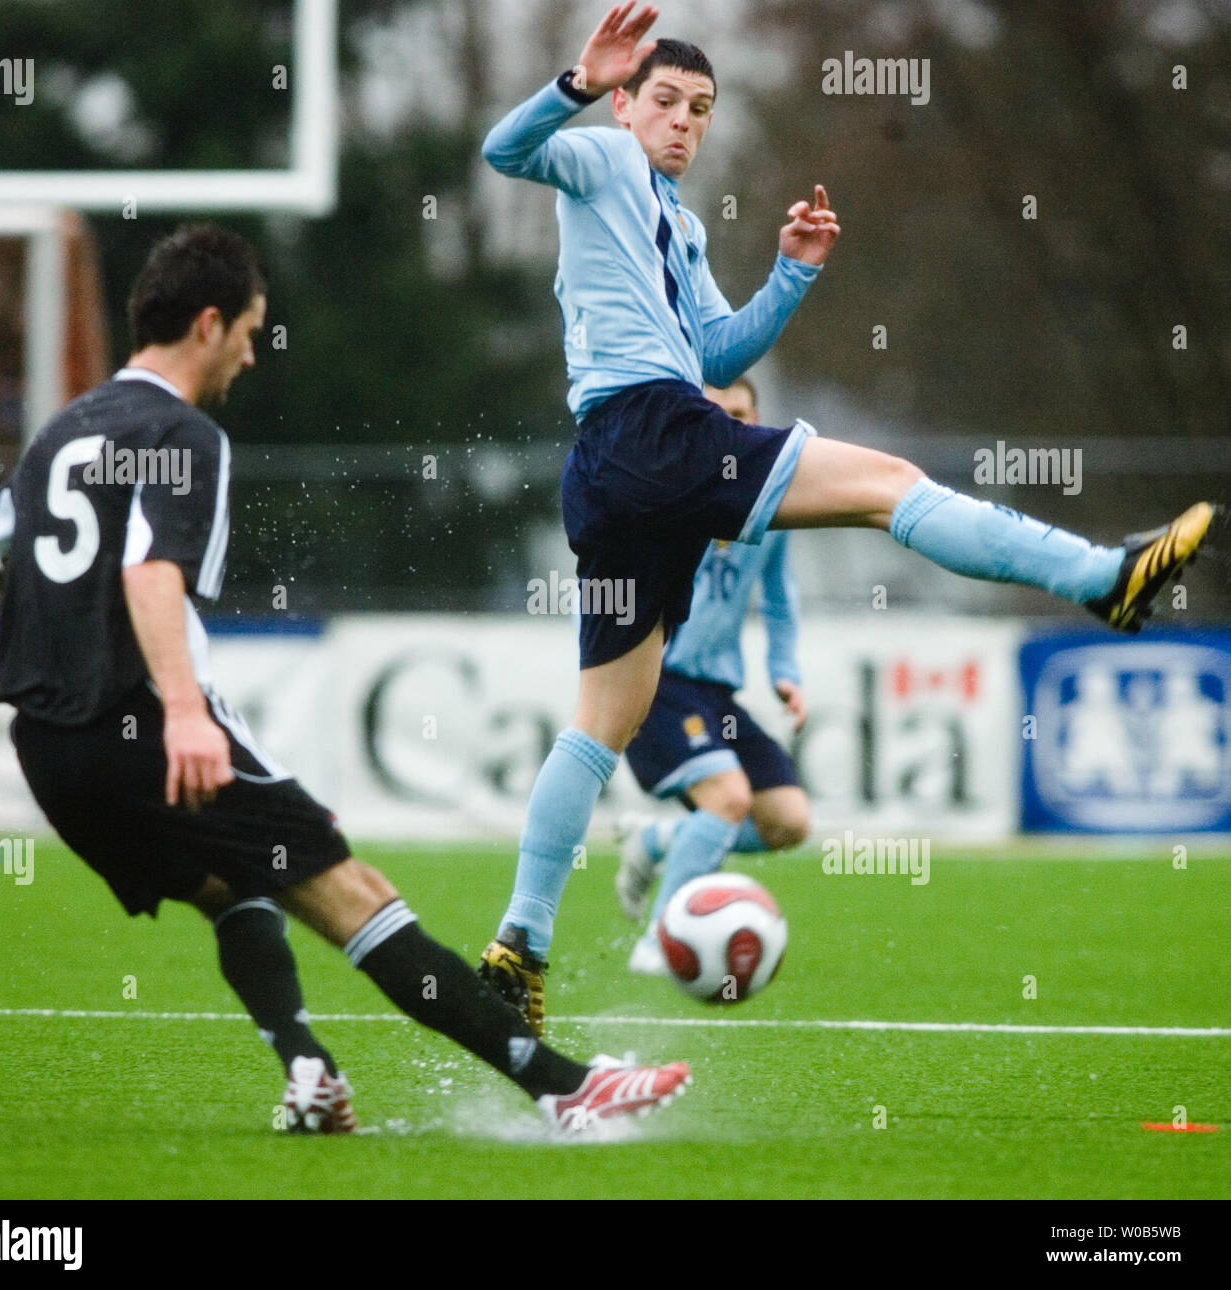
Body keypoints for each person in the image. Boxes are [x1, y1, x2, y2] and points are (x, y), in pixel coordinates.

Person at [476, 3, 1215, 1034]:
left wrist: (792, 273)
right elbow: (500, 150)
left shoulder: (675, 225)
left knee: (601, 722)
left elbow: (718, 357)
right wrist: (576, 80)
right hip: (651, 431)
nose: (683, 123)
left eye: (699, 108)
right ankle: (1103, 579)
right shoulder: (598, 158)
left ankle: (520, 942)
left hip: (610, 466)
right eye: (665, 102)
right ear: (625, 102)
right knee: (887, 485)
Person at [0, 223, 690, 1133]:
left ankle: (307, 1069)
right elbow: (148, 573)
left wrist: (57, 621)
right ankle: (565, 1088)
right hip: (146, 722)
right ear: (207, 322)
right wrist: (185, 714)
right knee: (358, 898)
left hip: (48, 750)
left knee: (236, 888)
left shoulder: (60, 433)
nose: (252, 353)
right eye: (250, 330)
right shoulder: (181, 433)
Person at [616, 377, 810, 975]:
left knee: (787, 820)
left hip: (716, 689)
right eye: (719, 415)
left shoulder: (770, 511)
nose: (734, 426)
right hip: (657, 680)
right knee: (728, 800)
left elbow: (779, 596)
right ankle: (659, 938)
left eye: (743, 414)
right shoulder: (669, 493)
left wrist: (784, 671)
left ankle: (658, 843)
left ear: (758, 420)